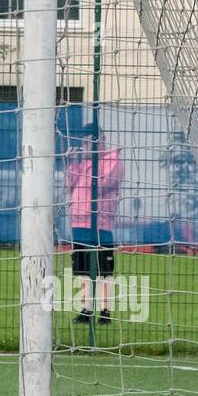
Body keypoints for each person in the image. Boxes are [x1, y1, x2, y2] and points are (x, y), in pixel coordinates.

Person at [66, 126, 123, 325]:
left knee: (102, 270)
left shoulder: (112, 161)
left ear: (100, 140)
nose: (83, 147)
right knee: (81, 269)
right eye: (83, 142)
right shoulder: (83, 163)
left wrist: (92, 163)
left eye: (87, 142)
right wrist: (73, 163)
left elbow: (100, 187)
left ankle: (105, 312)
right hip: (79, 223)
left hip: (100, 225)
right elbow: (70, 186)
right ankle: (86, 309)